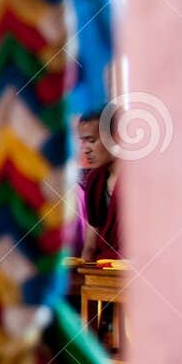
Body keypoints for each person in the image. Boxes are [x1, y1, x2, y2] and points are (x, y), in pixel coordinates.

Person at [76, 111, 121, 260]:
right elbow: (90, 244)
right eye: (83, 141)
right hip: (102, 268)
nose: (85, 149)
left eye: (92, 140)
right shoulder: (95, 179)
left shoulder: (138, 180)